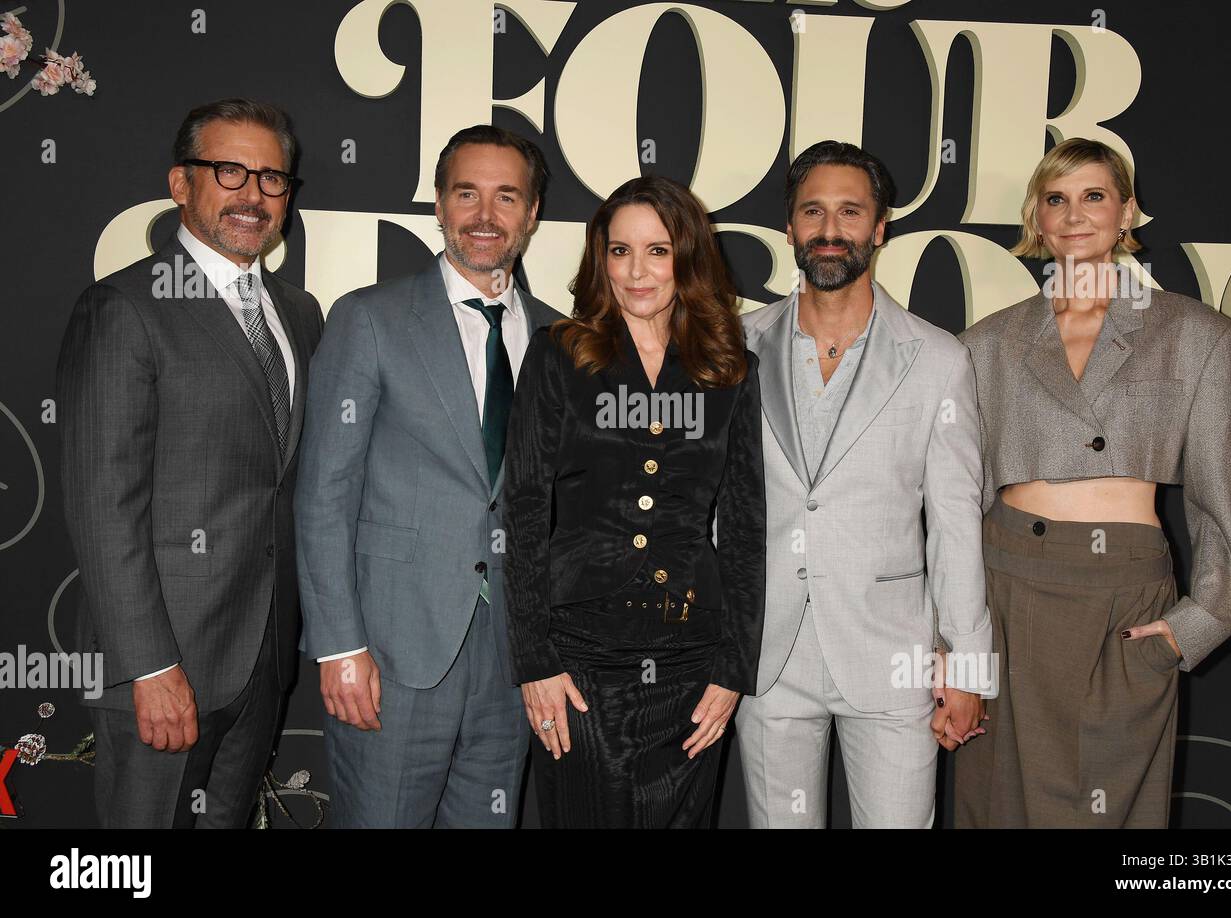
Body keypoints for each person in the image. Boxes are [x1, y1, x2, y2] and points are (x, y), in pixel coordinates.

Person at [954, 137, 1231, 828]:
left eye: (1093, 195)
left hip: (1121, 600)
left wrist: (1195, 625)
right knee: (995, 807)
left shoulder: (1200, 335)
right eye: (1056, 199)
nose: (1074, 214)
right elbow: (958, 506)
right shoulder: (985, 343)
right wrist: (950, 645)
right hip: (1006, 589)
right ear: (1037, 217)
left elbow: (1218, 506)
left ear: (1127, 212)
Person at [56, 99, 322, 827]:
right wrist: (150, 667)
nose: (254, 195)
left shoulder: (299, 313)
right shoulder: (125, 308)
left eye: (273, 178)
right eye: (229, 171)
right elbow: (102, 505)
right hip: (165, 664)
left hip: (262, 660)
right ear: (180, 183)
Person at [294, 125, 565, 827]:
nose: (485, 215)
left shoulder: (563, 340)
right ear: (439, 207)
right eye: (466, 193)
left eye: (507, 197)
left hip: (513, 659)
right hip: (390, 653)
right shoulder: (370, 320)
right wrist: (340, 646)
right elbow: (325, 494)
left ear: (532, 214)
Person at [734, 140, 992, 828]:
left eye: (850, 212)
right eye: (812, 211)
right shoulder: (735, 346)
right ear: (789, 227)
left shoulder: (937, 359)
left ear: (879, 230)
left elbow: (957, 522)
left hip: (893, 656)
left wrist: (968, 666)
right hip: (768, 658)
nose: (829, 229)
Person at [503, 174, 765, 828]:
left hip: (691, 656)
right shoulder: (558, 356)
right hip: (580, 657)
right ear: (601, 260)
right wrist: (536, 662)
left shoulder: (729, 367)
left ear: (688, 257)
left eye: (657, 250)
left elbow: (743, 528)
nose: (637, 270)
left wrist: (732, 670)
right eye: (620, 251)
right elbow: (525, 513)